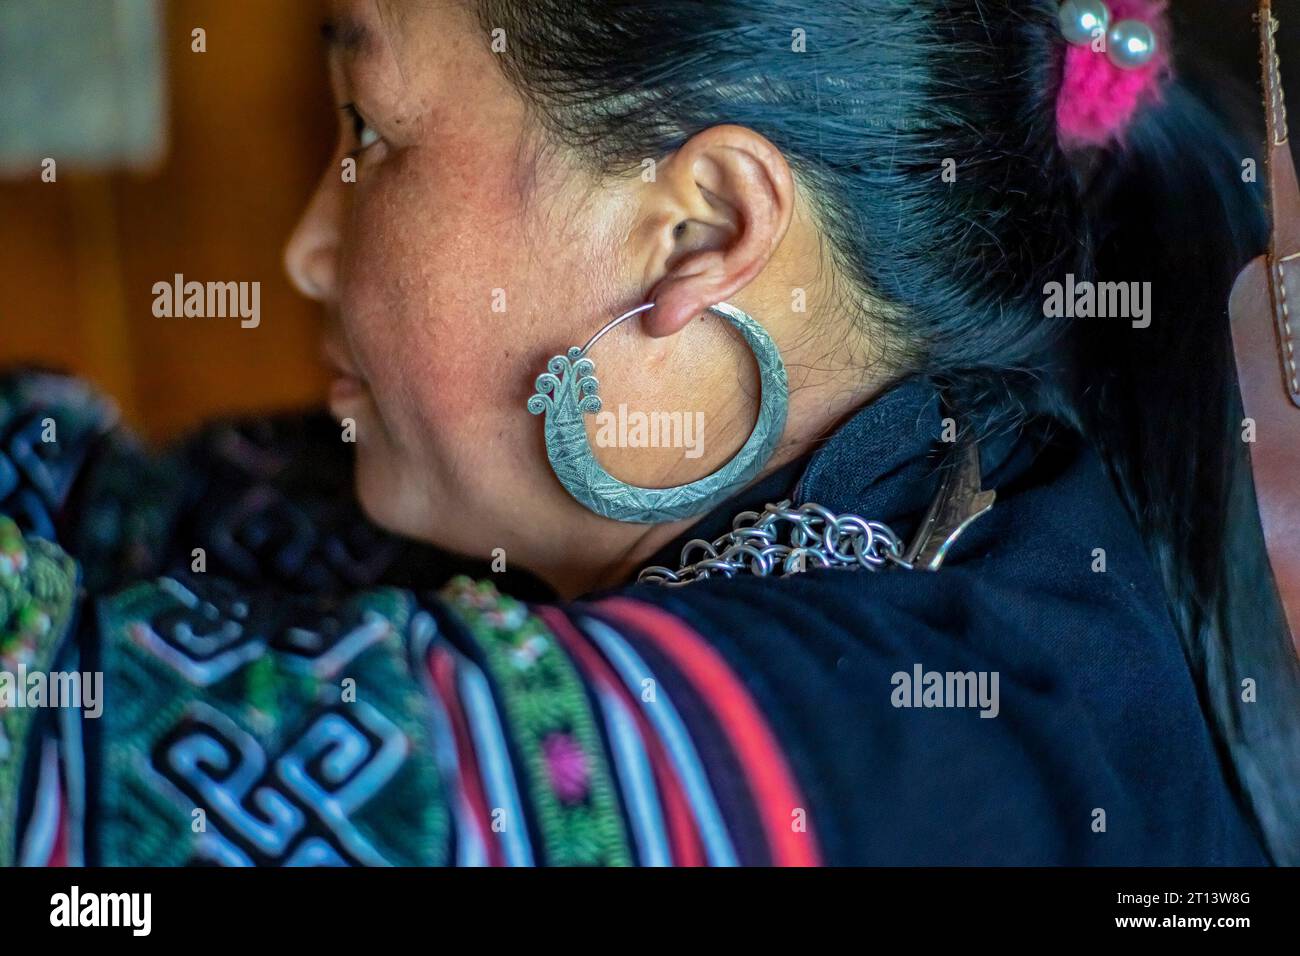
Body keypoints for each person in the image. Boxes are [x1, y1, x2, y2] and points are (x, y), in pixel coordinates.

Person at [2, 0, 1296, 866]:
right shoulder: (938, 489)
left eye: (369, 133)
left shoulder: (855, 756)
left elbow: (53, 772)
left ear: (703, 234)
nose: (305, 248)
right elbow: (102, 500)